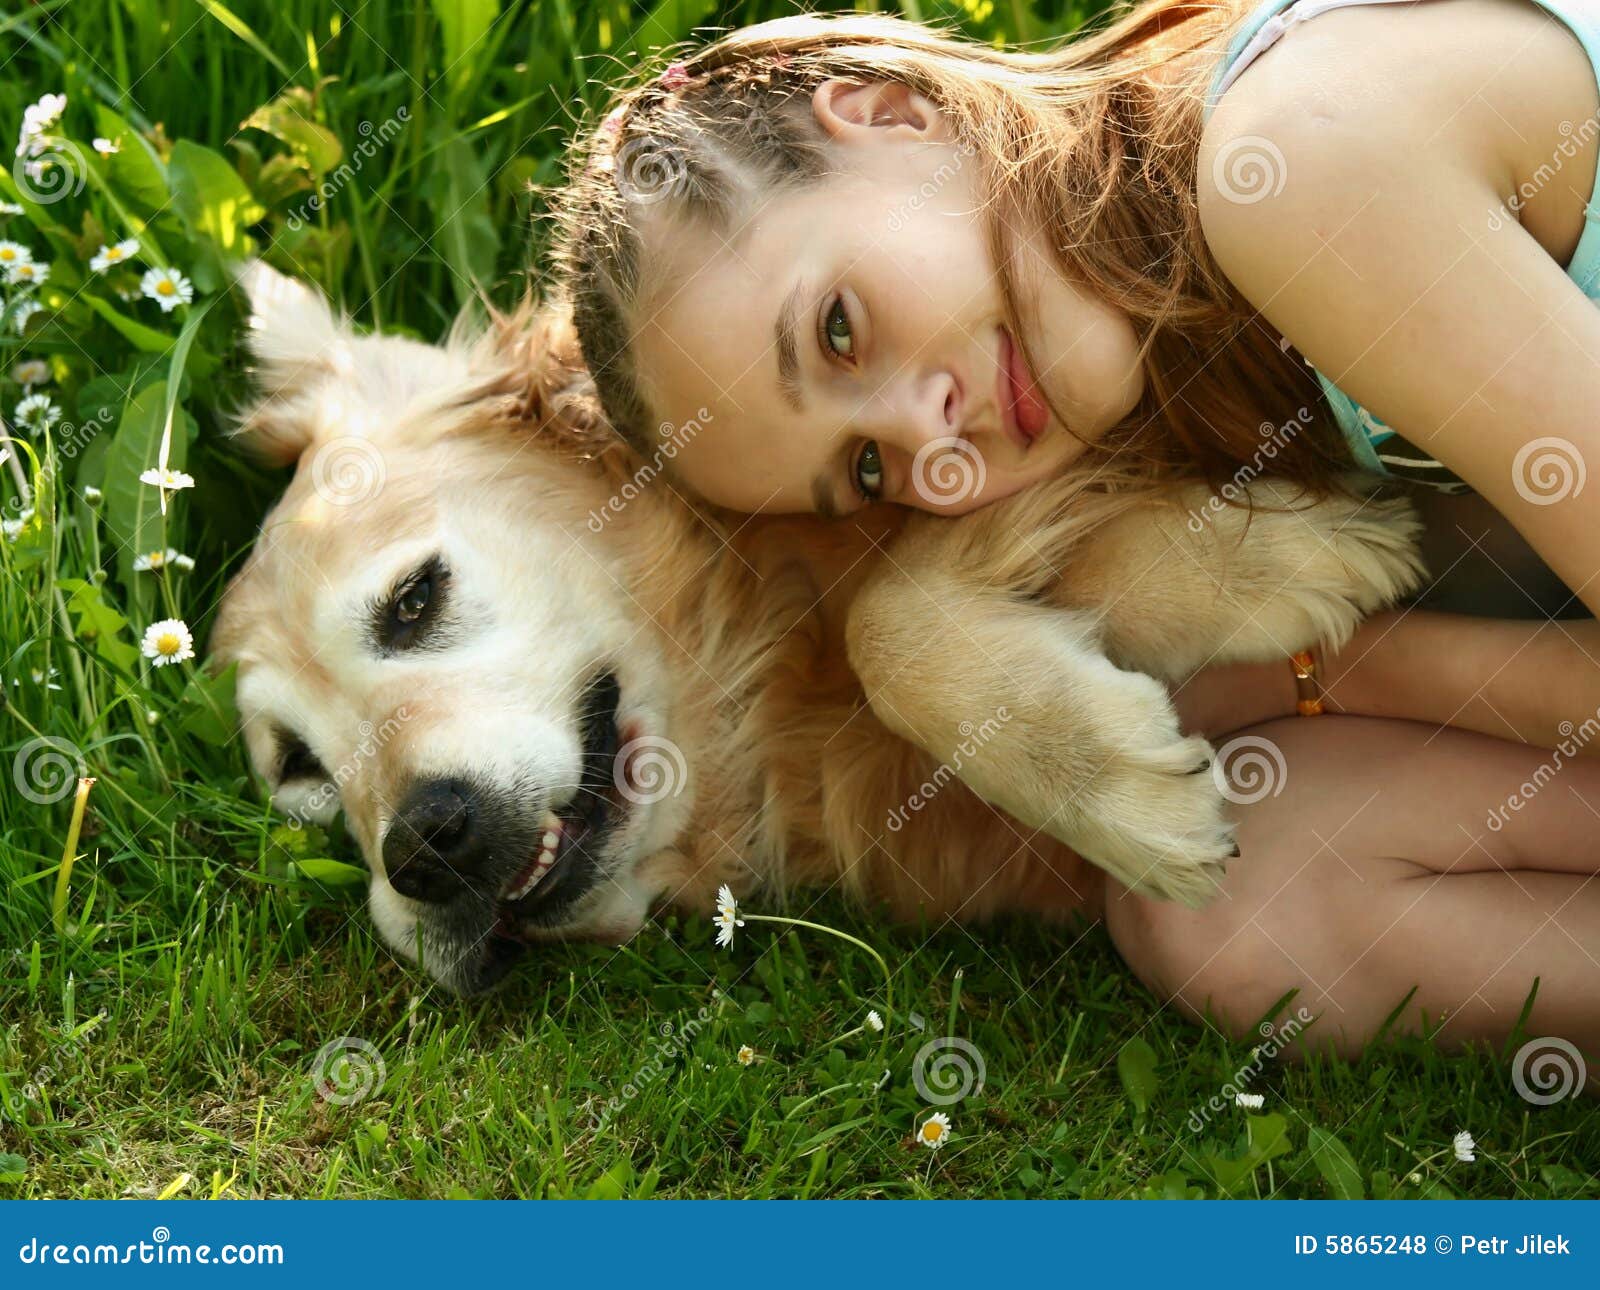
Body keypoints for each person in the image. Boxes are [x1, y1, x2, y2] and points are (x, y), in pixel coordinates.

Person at [552, 1, 1600, 1070]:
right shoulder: (1193, 366)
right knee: (1233, 912)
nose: (928, 437)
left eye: (838, 329)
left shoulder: (1296, 161)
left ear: (887, 114)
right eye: (867, 471)